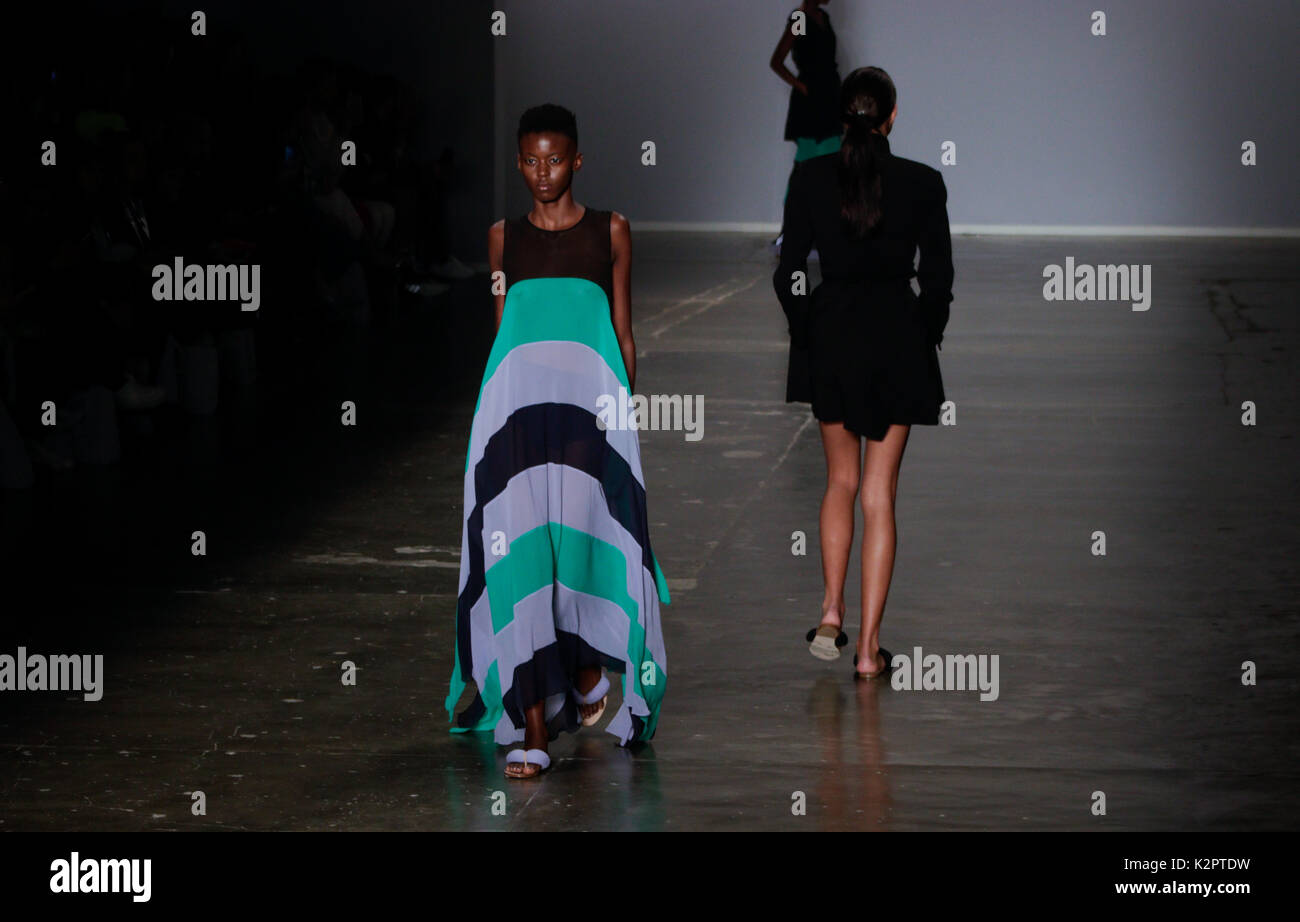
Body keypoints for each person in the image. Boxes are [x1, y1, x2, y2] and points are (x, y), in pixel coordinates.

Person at [445, 104, 671, 778]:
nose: (542, 172)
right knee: (522, 562)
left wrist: (624, 417)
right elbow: (502, 335)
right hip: (515, 421)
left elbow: (623, 330)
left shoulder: (611, 232)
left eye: (555, 159)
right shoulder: (500, 239)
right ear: (519, 162)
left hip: (588, 420)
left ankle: (585, 666)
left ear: (577, 161)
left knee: (578, 551)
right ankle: (533, 726)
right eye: (530, 160)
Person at [774, 66, 954, 679]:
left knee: (840, 482)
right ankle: (871, 652)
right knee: (879, 494)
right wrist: (922, 334)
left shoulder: (810, 178)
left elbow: (790, 268)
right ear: (892, 116)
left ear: (842, 117)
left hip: (833, 333)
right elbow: (938, 279)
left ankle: (830, 610)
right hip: (896, 337)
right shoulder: (923, 183)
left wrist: (807, 327)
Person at [770, 0, 843, 242]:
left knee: (832, 162)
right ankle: (789, 231)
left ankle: (823, 229)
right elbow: (777, 61)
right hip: (811, 101)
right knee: (805, 164)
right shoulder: (799, 19)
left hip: (830, 96)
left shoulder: (824, 17)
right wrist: (802, 86)